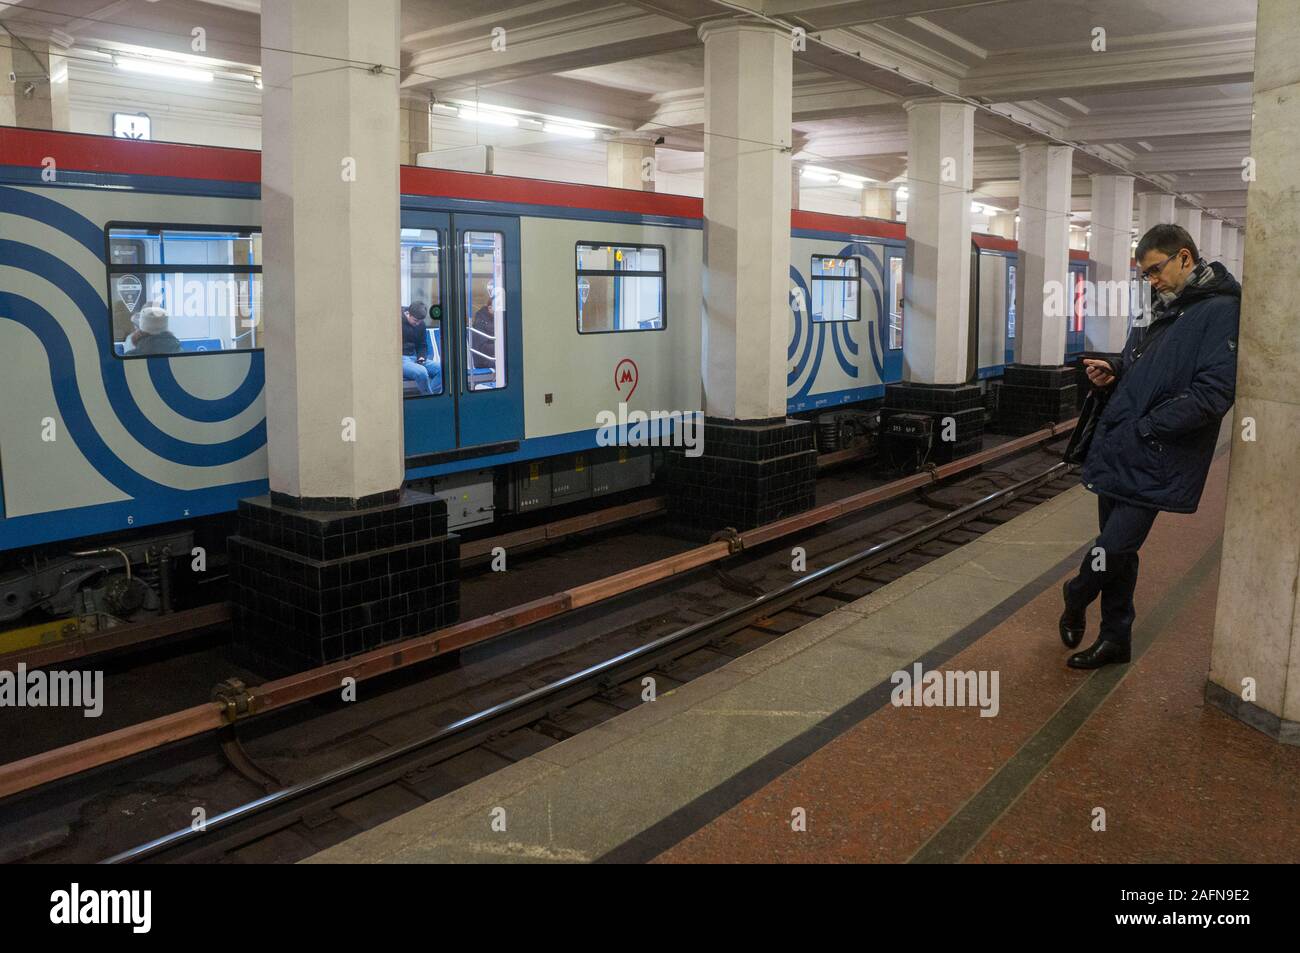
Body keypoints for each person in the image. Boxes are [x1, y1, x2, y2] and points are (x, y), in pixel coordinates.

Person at [1059, 223, 1239, 669]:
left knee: (1114, 548)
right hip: (1122, 444)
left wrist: (1149, 426)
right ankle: (1115, 638)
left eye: (1155, 270)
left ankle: (1076, 593)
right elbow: (1144, 364)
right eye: (1145, 275)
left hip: (1156, 452)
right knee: (1119, 552)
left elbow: (1213, 393)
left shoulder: (1221, 311)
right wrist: (1114, 370)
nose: (1151, 281)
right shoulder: (1161, 307)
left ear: (1184, 257)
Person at [401, 302, 435, 396]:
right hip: (401, 360)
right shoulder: (397, 322)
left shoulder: (420, 324)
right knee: (421, 372)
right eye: (415, 320)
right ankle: (429, 399)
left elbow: (422, 345)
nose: (417, 324)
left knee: (442, 369)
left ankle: (431, 394)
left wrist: (421, 357)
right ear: (408, 314)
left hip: (415, 358)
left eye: (420, 321)